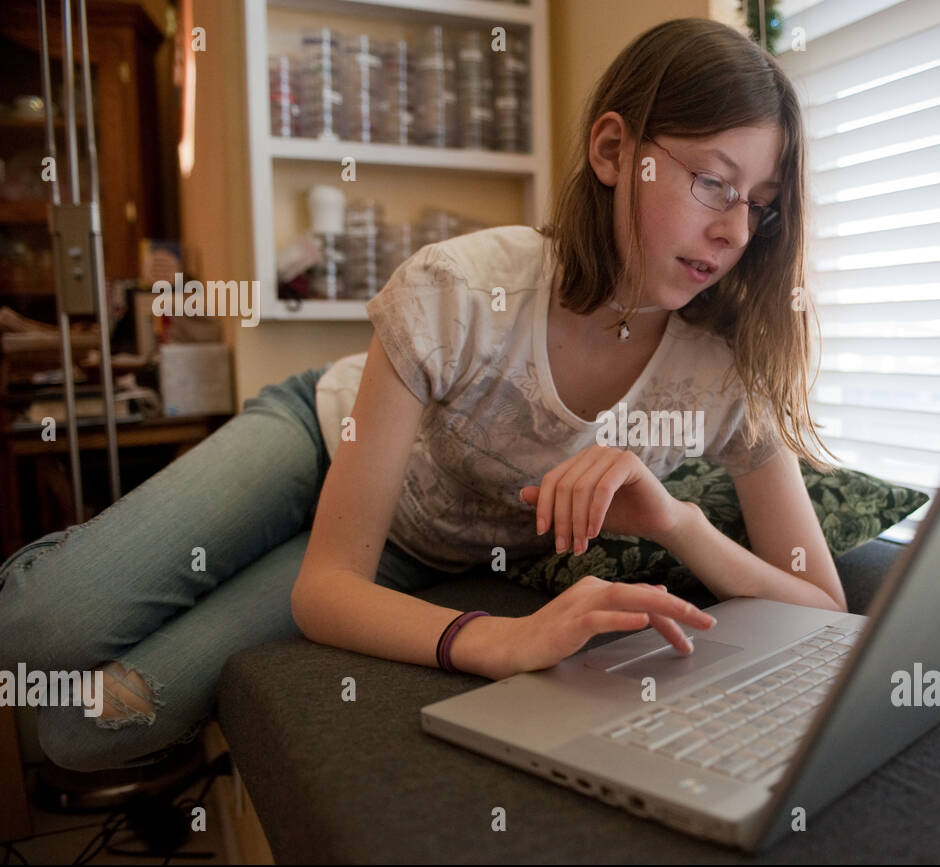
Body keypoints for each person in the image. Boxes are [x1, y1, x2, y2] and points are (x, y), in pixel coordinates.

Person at [0, 17, 846, 774]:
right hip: (320, 439)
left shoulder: (721, 375)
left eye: (760, 207)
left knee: (83, 728)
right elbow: (332, 579)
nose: (735, 230)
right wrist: (502, 642)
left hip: (420, 543)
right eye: (712, 183)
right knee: (35, 631)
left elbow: (822, 602)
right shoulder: (463, 290)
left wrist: (677, 521)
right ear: (615, 151)